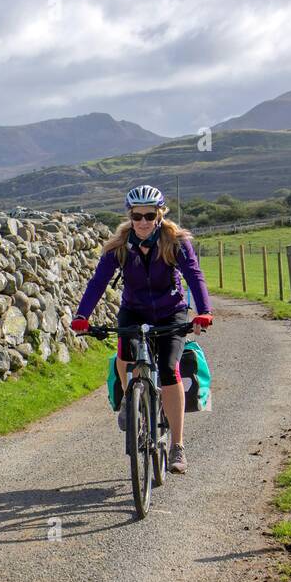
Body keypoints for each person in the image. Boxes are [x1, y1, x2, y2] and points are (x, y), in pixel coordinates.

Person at [70, 184, 213, 474]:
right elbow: (98, 282)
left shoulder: (176, 242)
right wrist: (81, 315)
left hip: (170, 312)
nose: (144, 222)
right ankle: (128, 399)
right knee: (124, 354)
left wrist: (204, 312)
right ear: (130, 216)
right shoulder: (119, 246)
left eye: (150, 215)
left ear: (160, 215)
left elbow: (194, 275)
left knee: (170, 369)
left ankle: (177, 446)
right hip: (134, 310)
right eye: (137, 216)